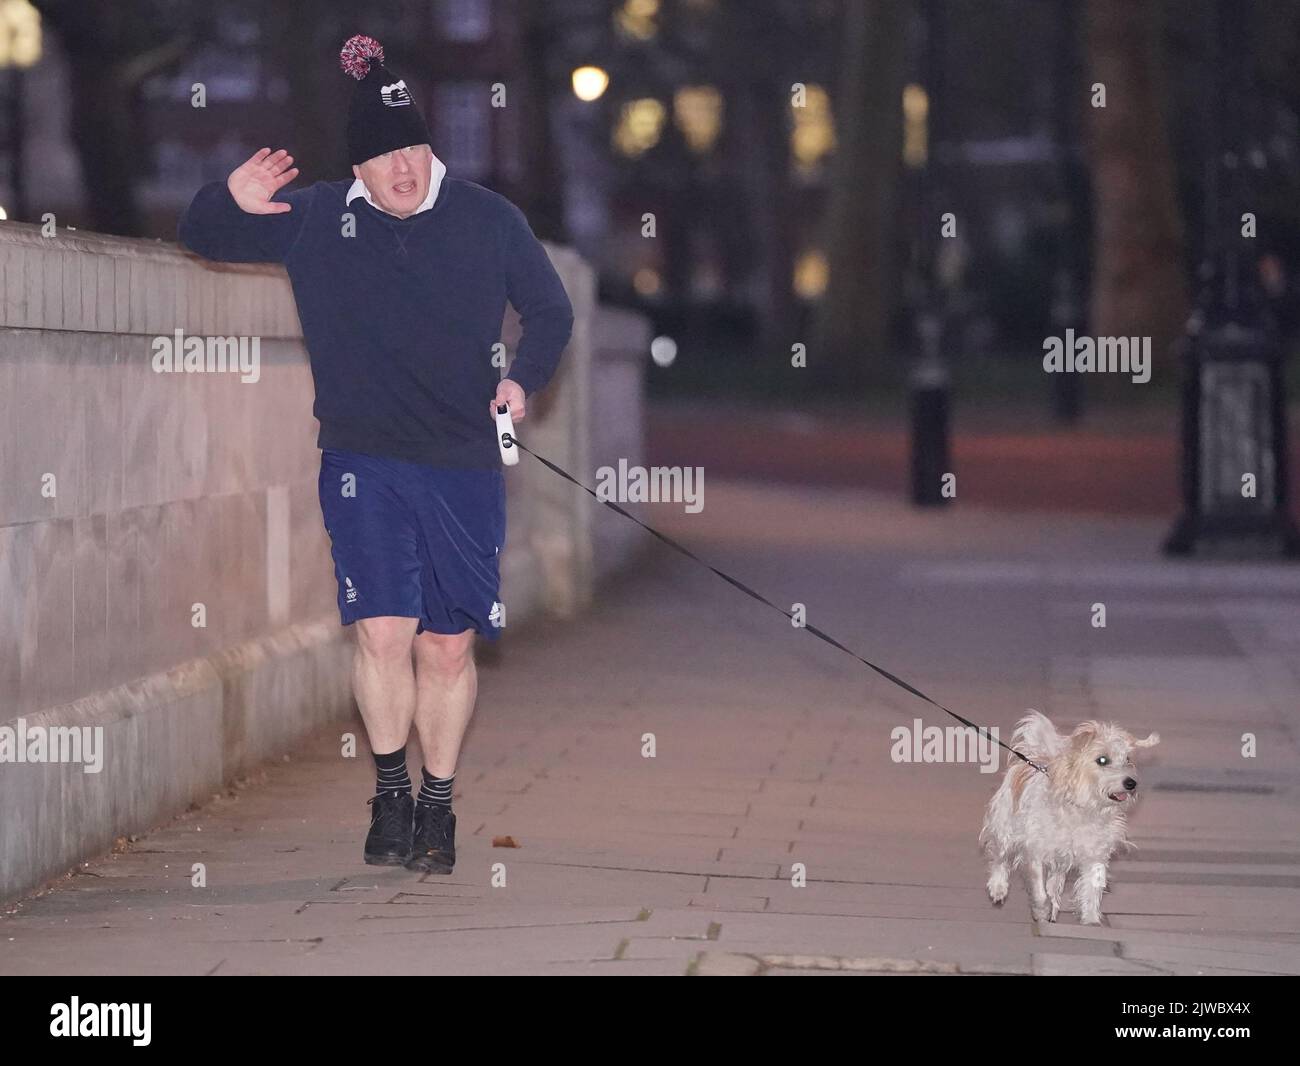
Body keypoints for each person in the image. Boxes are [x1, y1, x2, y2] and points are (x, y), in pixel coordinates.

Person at [177, 35, 574, 873]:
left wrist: (520, 381)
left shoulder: (489, 220)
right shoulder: (320, 218)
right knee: (384, 631)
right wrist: (228, 197)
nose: (401, 167)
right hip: (363, 459)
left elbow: (551, 312)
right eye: (383, 156)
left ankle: (438, 804)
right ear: (356, 169)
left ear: (432, 149)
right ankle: (390, 795)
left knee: (447, 645)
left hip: (462, 461)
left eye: (413, 149)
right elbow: (203, 234)